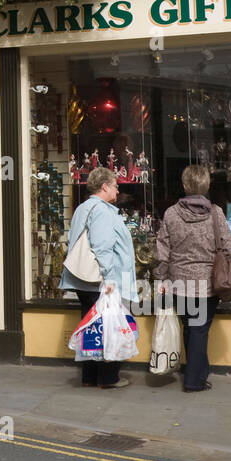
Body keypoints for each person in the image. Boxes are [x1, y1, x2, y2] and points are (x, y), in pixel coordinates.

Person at [153, 164, 231, 393]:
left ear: (184, 186)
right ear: (207, 185)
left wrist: (160, 278)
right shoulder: (216, 213)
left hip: (178, 283)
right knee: (199, 330)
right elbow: (230, 247)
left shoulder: (171, 213)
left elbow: (162, 251)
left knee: (189, 328)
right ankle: (194, 380)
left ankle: (194, 372)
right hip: (206, 285)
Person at [65, 166, 136, 389]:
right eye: (115, 186)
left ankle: (89, 376)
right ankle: (108, 377)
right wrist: (108, 280)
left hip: (82, 280)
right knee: (109, 326)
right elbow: (103, 248)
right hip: (101, 281)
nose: (117, 191)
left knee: (90, 326)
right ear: (104, 186)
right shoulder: (103, 211)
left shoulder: (82, 208)